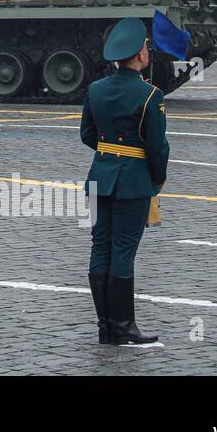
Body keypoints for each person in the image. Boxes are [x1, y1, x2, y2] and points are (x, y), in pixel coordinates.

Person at [80, 18, 169, 346]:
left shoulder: (95, 89)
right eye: (146, 47)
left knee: (99, 246)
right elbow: (157, 148)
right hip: (132, 183)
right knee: (123, 252)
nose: (147, 51)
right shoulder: (150, 95)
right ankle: (124, 326)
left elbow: (87, 134)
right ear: (140, 56)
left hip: (98, 179)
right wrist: (155, 179)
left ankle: (106, 326)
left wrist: (110, 154)